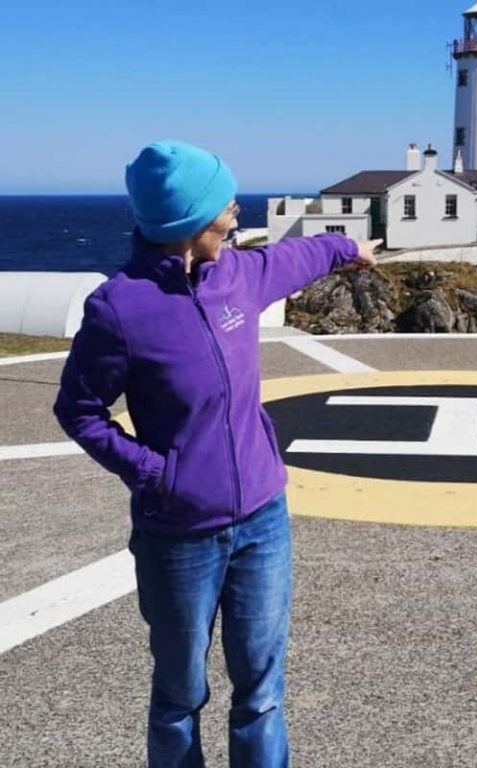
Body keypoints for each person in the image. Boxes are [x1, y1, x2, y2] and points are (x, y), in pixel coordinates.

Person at [53, 140, 381, 767]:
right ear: (187, 223)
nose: (235, 216)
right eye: (224, 208)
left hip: (263, 520)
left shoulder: (237, 274)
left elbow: (298, 255)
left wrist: (349, 248)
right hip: (179, 536)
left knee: (260, 693)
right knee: (180, 695)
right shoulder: (119, 308)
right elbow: (79, 411)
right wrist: (154, 472)